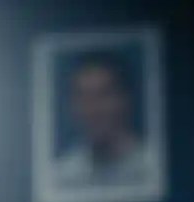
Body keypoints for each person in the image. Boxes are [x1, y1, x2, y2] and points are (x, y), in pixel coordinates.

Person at [53, 52, 150, 186]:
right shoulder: (60, 176)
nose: (92, 110)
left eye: (103, 95)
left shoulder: (152, 165)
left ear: (125, 100)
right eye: (83, 98)